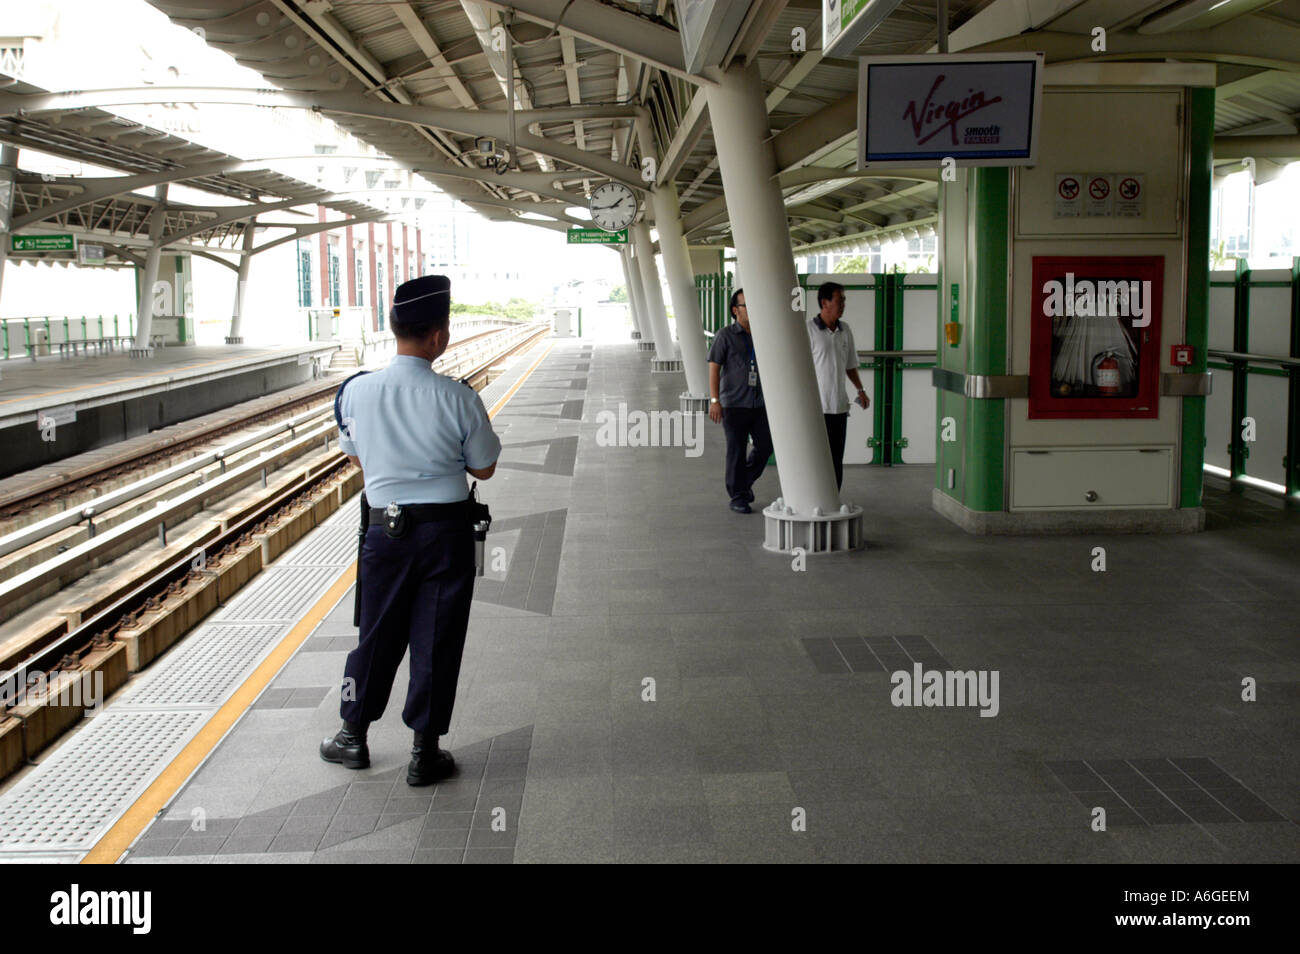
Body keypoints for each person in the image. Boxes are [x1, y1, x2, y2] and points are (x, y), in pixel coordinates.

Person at [322, 274, 501, 786]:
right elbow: (484, 468)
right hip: (446, 535)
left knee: (375, 635)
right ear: (438, 337)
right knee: (437, 638)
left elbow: (354, 455)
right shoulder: (458, 397)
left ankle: (352, 737)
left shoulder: (354, 392)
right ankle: (425, 753)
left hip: (385, 532)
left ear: (395, 328)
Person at [707, 288, 774, 514]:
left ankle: (742, 484)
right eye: (747, 305)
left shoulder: (763, 334)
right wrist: (715, 400)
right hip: (733, 404)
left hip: (759, 404)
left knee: (765, 446)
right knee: (736, 450)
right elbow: (714, 368)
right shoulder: (725, 336)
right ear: (736, 310)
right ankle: (738, 497)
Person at [807, 281, 869, 490]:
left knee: (836, 458)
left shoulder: (845, 330)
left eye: (843, 300)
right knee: (815, 457)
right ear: (824, 303)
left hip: (839, 407)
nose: (843, 304)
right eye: (839, 300)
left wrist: (861, 390)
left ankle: (834, 496)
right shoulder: (809, 330)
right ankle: (816, 495)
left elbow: (850, 364)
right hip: (817, 407)